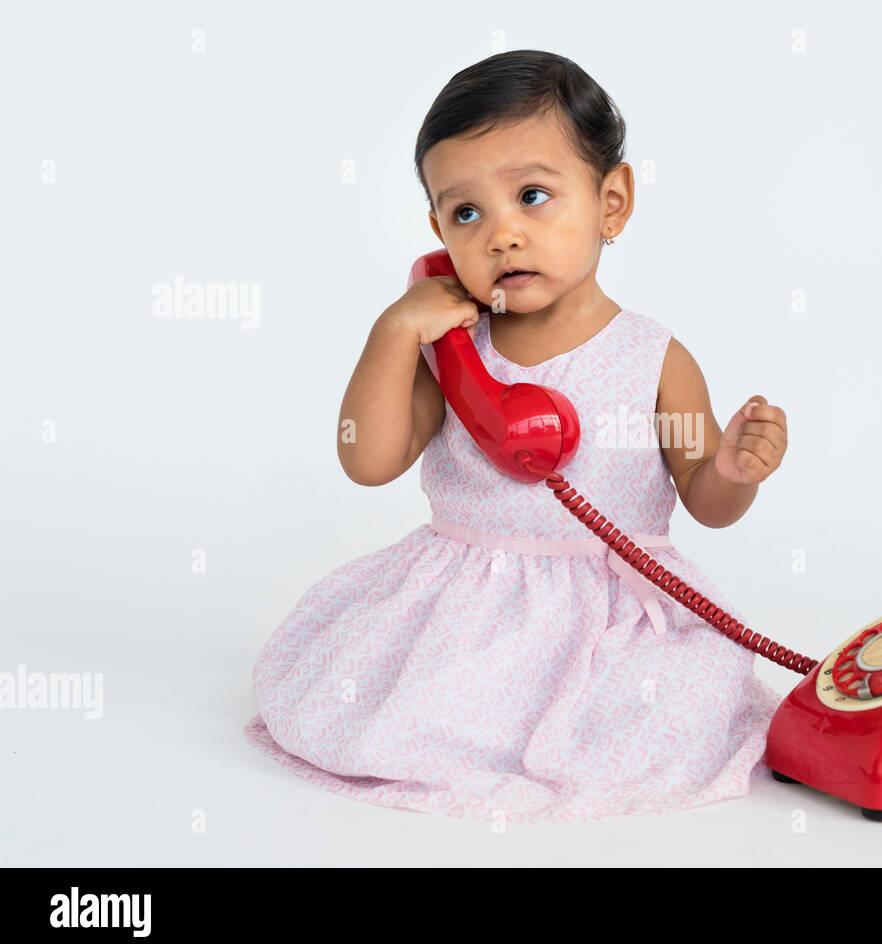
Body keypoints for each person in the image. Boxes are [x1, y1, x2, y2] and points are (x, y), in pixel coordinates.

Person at [242, 50, 791, 824]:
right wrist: (396, 333)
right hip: (470, 611)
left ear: (612, 202)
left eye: (532, 196)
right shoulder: (451, 351)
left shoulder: (654, 358)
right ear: (436, 231)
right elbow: (368, 460)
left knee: (677, 702)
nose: (501, 234)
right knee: (424, 709)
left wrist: (733, 467)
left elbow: (707, 498)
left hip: (609, 614)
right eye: (466, 213)